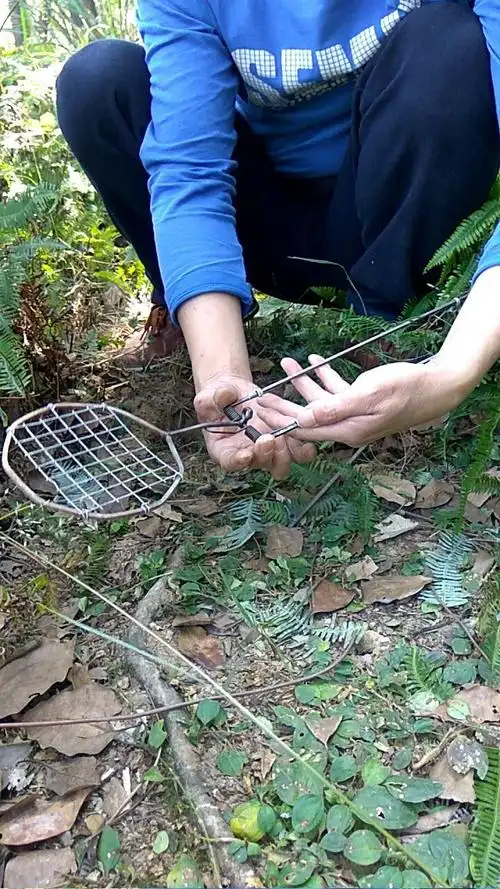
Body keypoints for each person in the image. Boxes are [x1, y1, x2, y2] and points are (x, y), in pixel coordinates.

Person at [56, 0, 500, 480]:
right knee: (99, 81)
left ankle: (381, 332)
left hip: (403, 205)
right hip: (266, 223)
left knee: (448, 36)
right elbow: (190, 171)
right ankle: (198, 320)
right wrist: (222, 375)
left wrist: (452, 372)